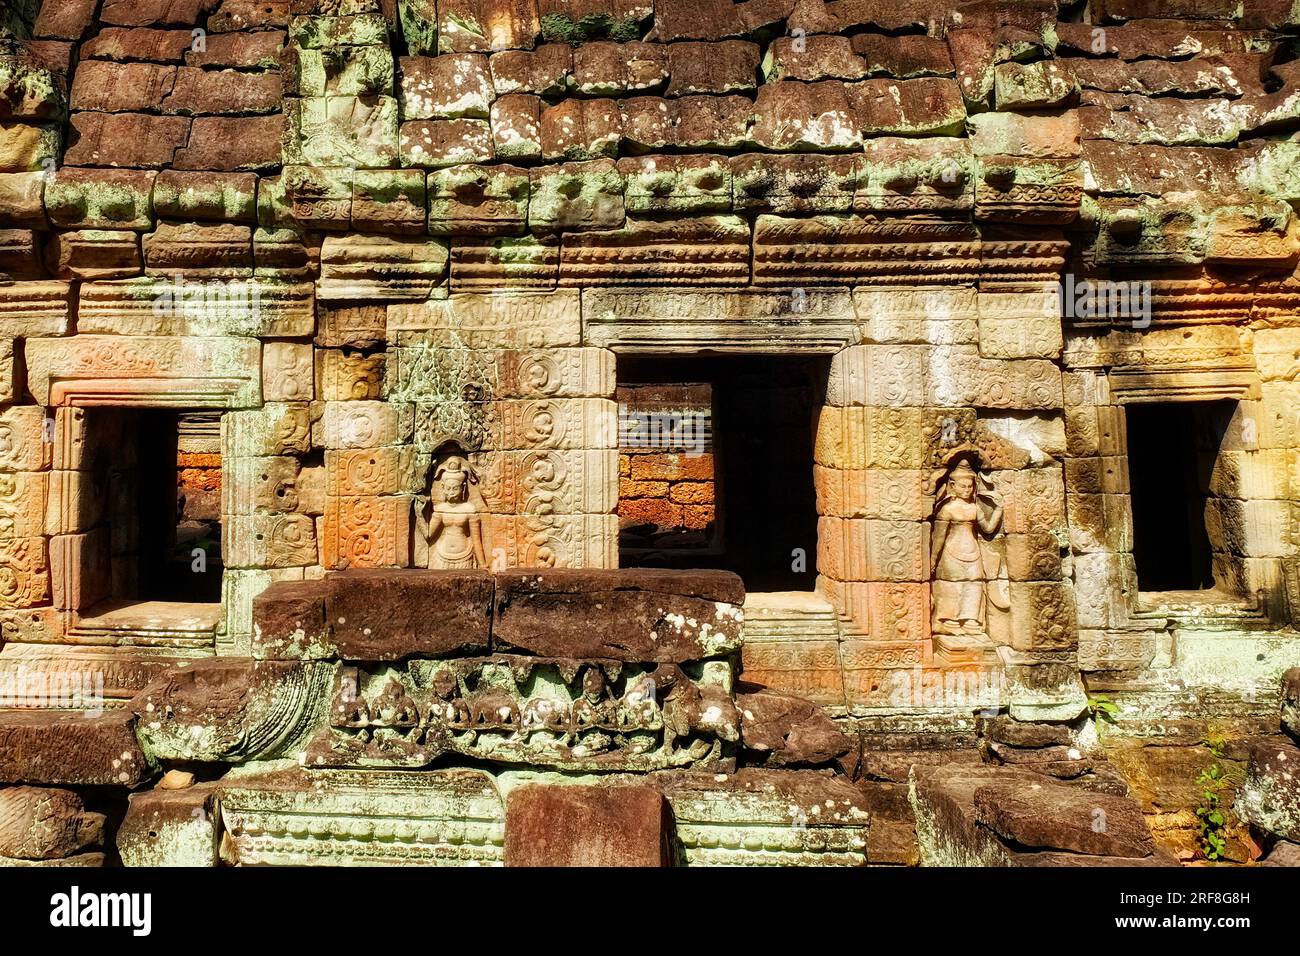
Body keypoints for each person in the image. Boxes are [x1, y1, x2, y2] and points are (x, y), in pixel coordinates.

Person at [930, 458, 1005, 636]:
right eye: (962, 486)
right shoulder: (947, 509)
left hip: (973, 552)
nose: (966, 490)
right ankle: (948, 619)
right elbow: (939, 537)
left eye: (970, 486)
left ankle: (970, 618)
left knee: (974, 584)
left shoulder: (974, 508)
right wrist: (933, 558)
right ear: (952, 486)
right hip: (950, 553)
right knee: (952, 585)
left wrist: (999, 509)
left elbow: (987, 528)